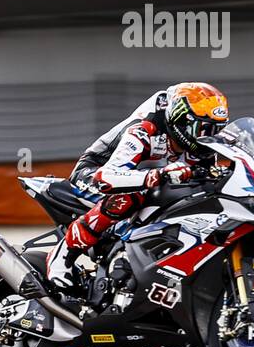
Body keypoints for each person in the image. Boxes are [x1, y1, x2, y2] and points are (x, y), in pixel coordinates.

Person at [45, 81, 229, 293]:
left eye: (216, 130)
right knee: (133, 194)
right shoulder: (146, 129)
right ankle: (64, 253)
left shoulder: (202, 148)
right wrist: (158, 175)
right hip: (94, 173)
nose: (209, 137)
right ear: (181, 122)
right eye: (203, 129)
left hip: (144, 178)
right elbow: (106, 177)